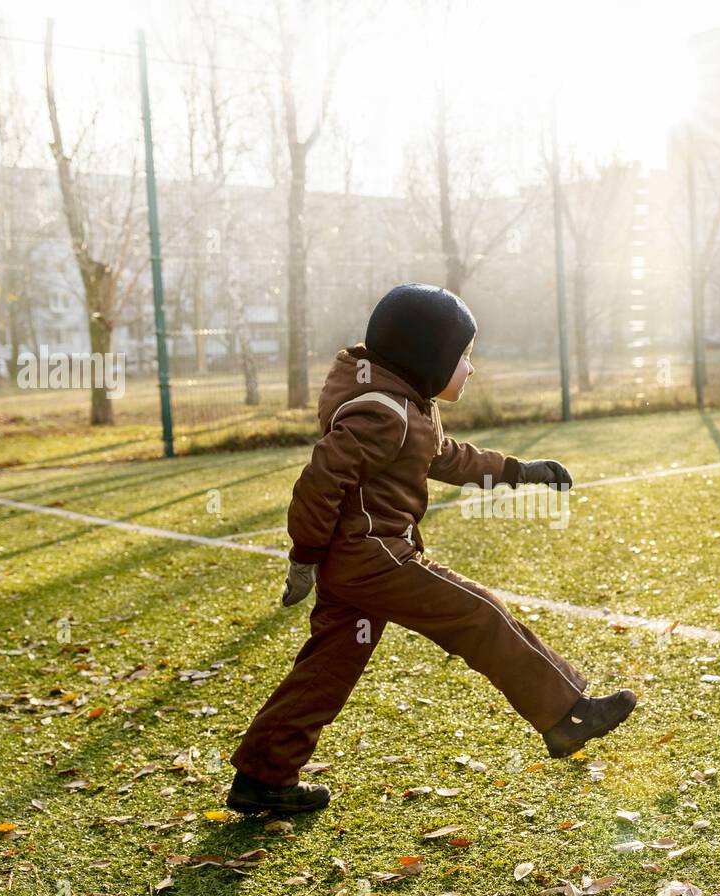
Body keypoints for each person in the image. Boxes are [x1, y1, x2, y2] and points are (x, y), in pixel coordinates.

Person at [227, 283, 636, 814]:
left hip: (356, 568)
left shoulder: (406, 405)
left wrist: (519, 470)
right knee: (478, 612)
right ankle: (567, 715)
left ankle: (262, 776)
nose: (470, 369)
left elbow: (444, 456)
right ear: (429, 357)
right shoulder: (384, 413)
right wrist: (303, 555)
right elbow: (319, 480)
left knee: (326, 670)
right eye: (463, 357)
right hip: (376, 559)